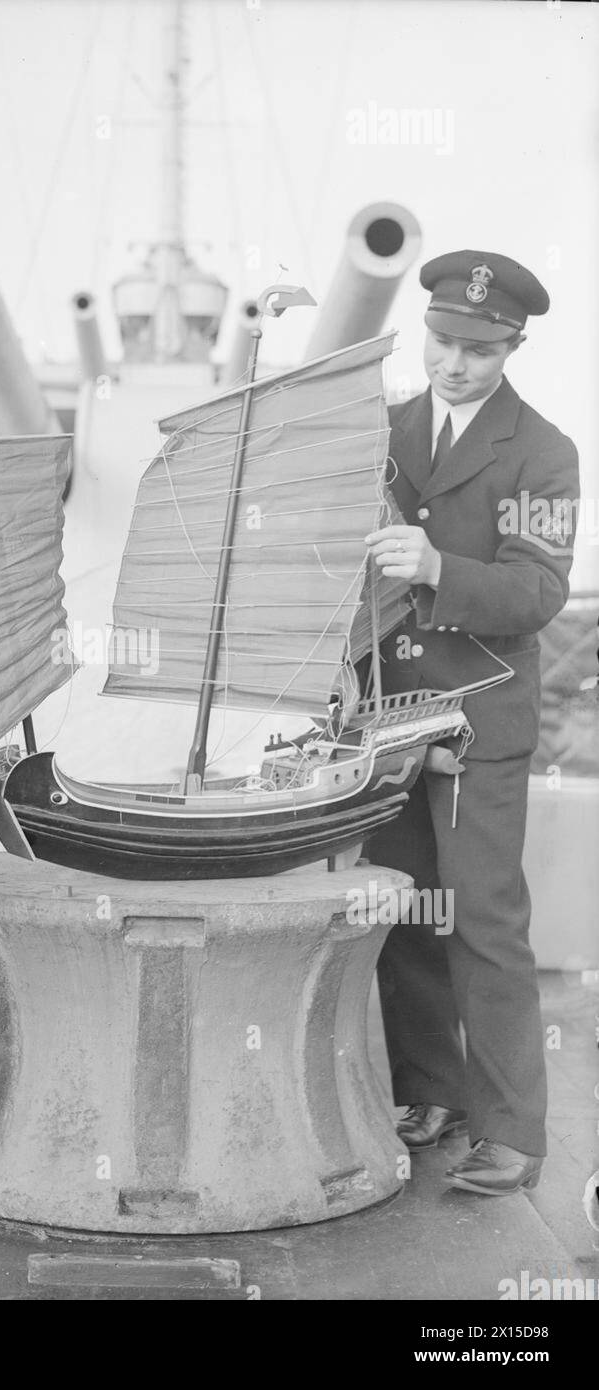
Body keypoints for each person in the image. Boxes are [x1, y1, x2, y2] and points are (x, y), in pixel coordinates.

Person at [363, 250, 579, 1195]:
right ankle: (429, 1090)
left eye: (478, 351)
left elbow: (535, 594)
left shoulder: (543, 452)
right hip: (384, 712)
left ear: (512, 347)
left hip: (475, 713)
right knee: (405, 910)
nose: (454, 364)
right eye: (443, 342)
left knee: (482, 918)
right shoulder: (382, 431)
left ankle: (511, 1133)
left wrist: (435, 568)